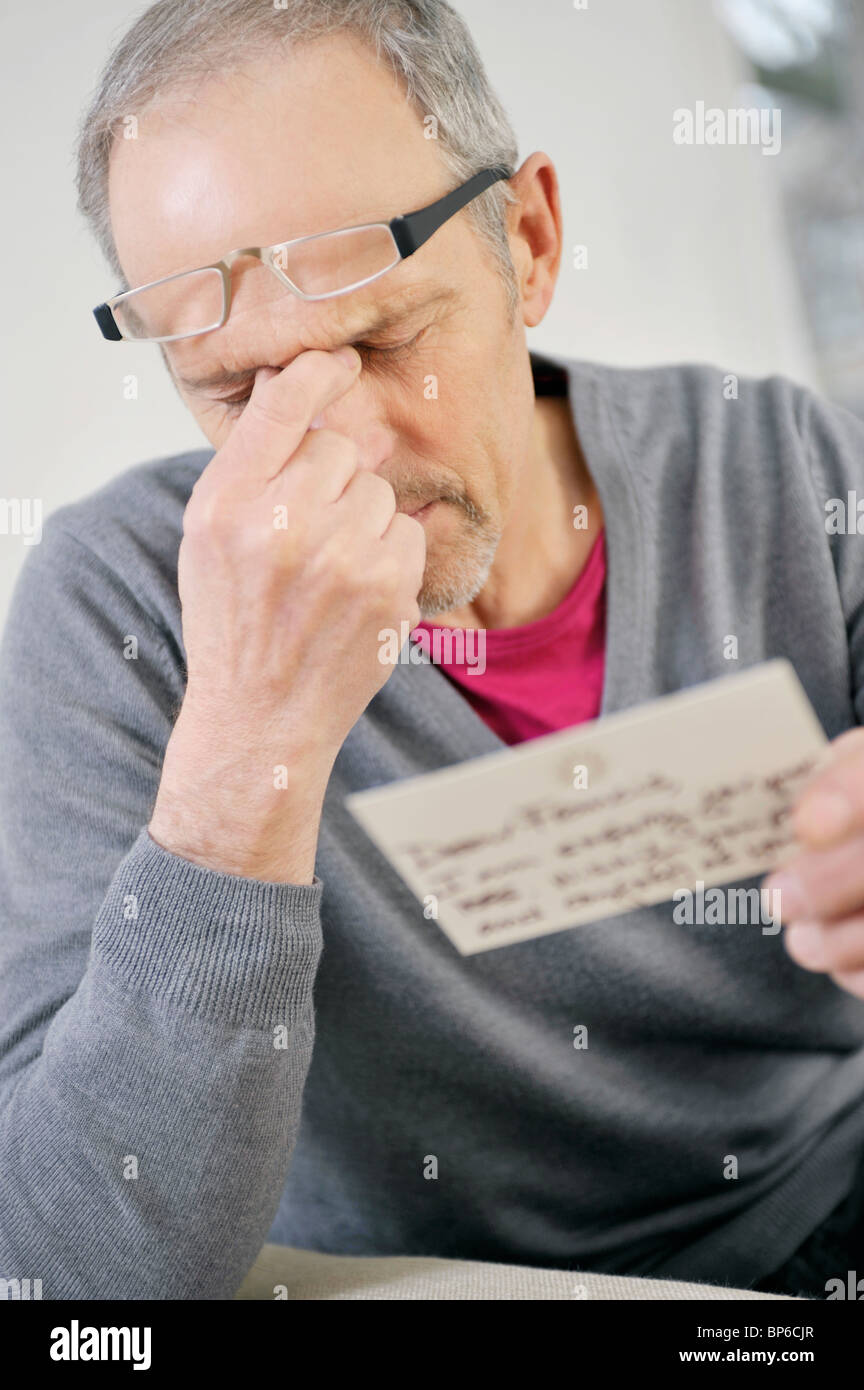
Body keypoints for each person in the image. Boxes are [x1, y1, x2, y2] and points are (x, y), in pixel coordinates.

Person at [2, 0, 864, 1301]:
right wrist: (246, 757)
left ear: (530, 240)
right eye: (236, 391)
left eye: (380, 340)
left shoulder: (783, 467)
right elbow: (76, 1272)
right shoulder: (112, 608)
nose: (329, 449)